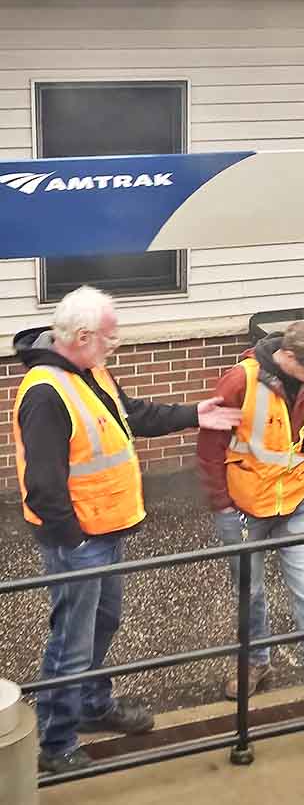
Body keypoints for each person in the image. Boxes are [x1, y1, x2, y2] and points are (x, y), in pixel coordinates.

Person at [12, 285, 242, 774]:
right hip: (79, 542)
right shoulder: (45, 393)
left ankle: (93, 706)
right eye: (110, 339)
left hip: (105, 532)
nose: (116, 346)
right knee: (70, 642)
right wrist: (74, 543)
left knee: (103, 623)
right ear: (81, 336)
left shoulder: (88, 369)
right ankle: (56, 744)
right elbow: (43, 486)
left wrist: (193, 414)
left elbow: (129, 414)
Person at [197, 320, 304, 718]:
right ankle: (256, 662)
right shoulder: (241, 381)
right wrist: (222, 507)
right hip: (243, 508)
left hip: (296, 503)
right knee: (250, 592)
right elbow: (210, 447)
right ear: (287, 357)